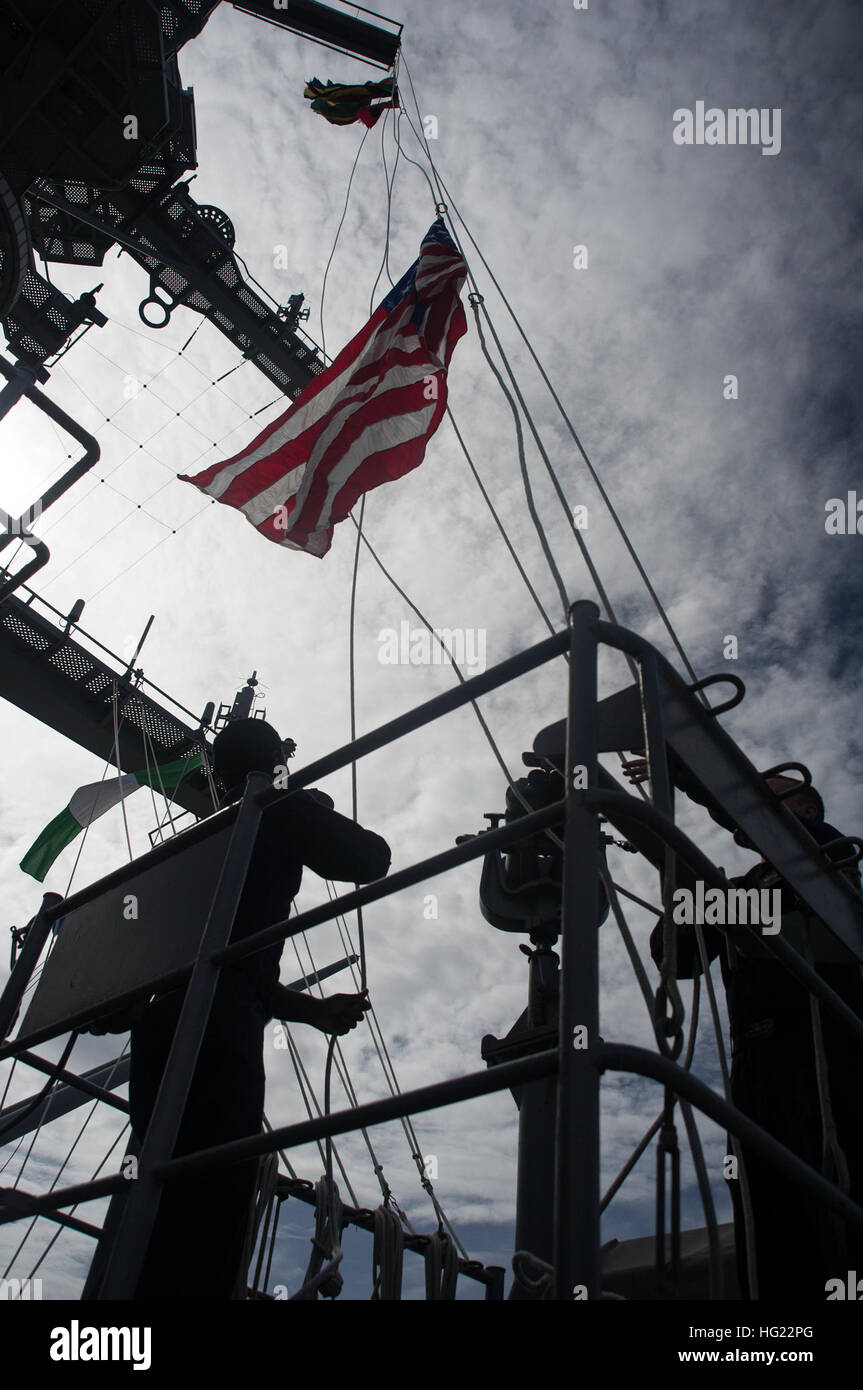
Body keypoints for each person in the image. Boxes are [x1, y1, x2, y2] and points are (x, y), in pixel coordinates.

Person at [92, 718, 390, 1299]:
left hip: (165, 1029)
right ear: (273, 763)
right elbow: (370, 858)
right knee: (213, 1199)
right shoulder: (273, 809)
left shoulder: (197, 843)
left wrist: (313, 1012)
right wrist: (298, 803)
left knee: (154, 1190)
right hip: (220, 1037)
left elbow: (220, 967)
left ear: (215, 776)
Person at [630, 754, 863, 1300]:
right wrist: (686, 900)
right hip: (758, 1063)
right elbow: (679, 958)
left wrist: (682, 763)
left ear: (805, 806)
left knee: (845, 1187)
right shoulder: (740, 890)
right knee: (768, 1206)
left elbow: (774, 838)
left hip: (836, 1049)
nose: (750, 804)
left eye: (768, 795)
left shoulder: (830, 851)